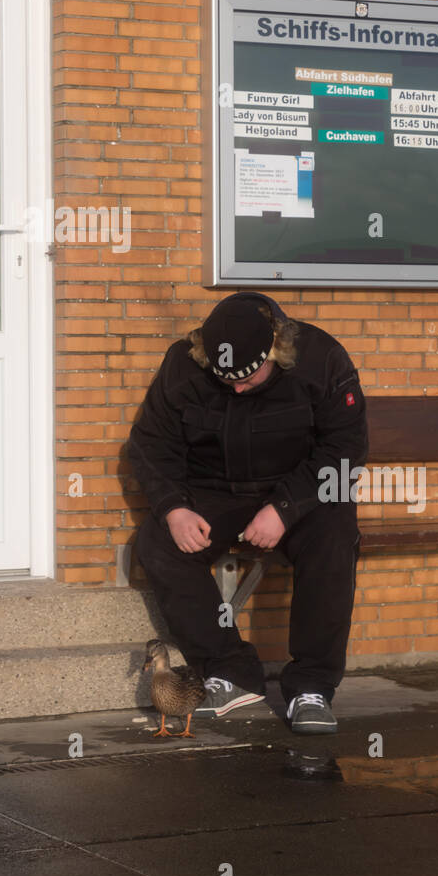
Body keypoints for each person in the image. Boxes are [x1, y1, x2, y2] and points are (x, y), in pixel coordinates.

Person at [128, 291, 368, 734]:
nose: (237, 388)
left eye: (249, 378)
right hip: (216, 492)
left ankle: (311, 688)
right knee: (156, 543)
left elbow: (345, 449)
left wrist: (284, 508)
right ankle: (230, 671)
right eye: (227, 380)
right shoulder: (183, 364)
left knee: (335, 536)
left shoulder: (322, 358)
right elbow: (150, 443)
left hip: (299, 491)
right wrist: (173, 507)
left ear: (278, 349)